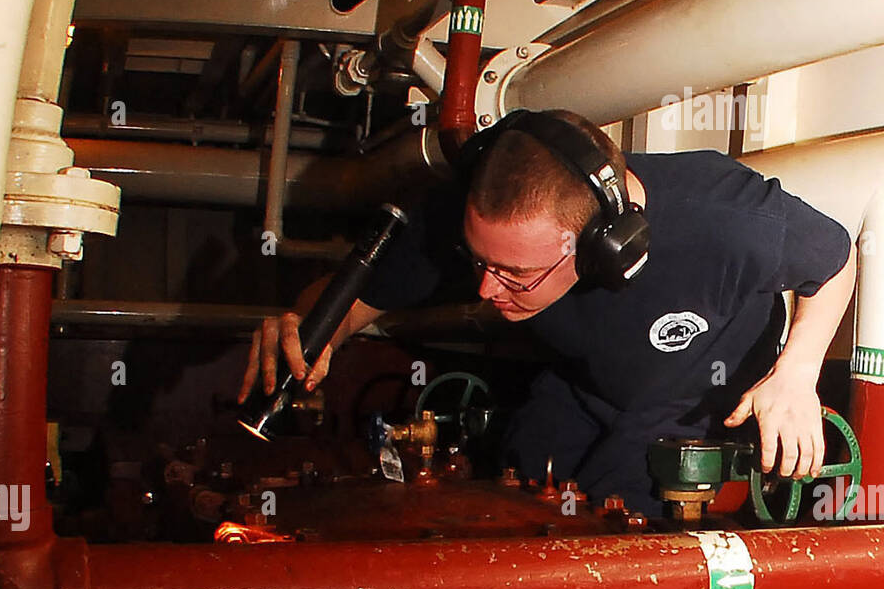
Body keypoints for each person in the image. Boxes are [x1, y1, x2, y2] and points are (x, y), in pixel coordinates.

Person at [240, 108, 857, 517]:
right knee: (512, 497)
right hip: (584, 381)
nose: (484, 289)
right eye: (478, 261)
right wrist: (308, 328)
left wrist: (797, 373)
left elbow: (834, 259)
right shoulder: (487, 225)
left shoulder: (728, 219)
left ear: (604, 250)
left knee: (620, 540)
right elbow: (350, 302)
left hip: (694, 399)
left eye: (514, 275)